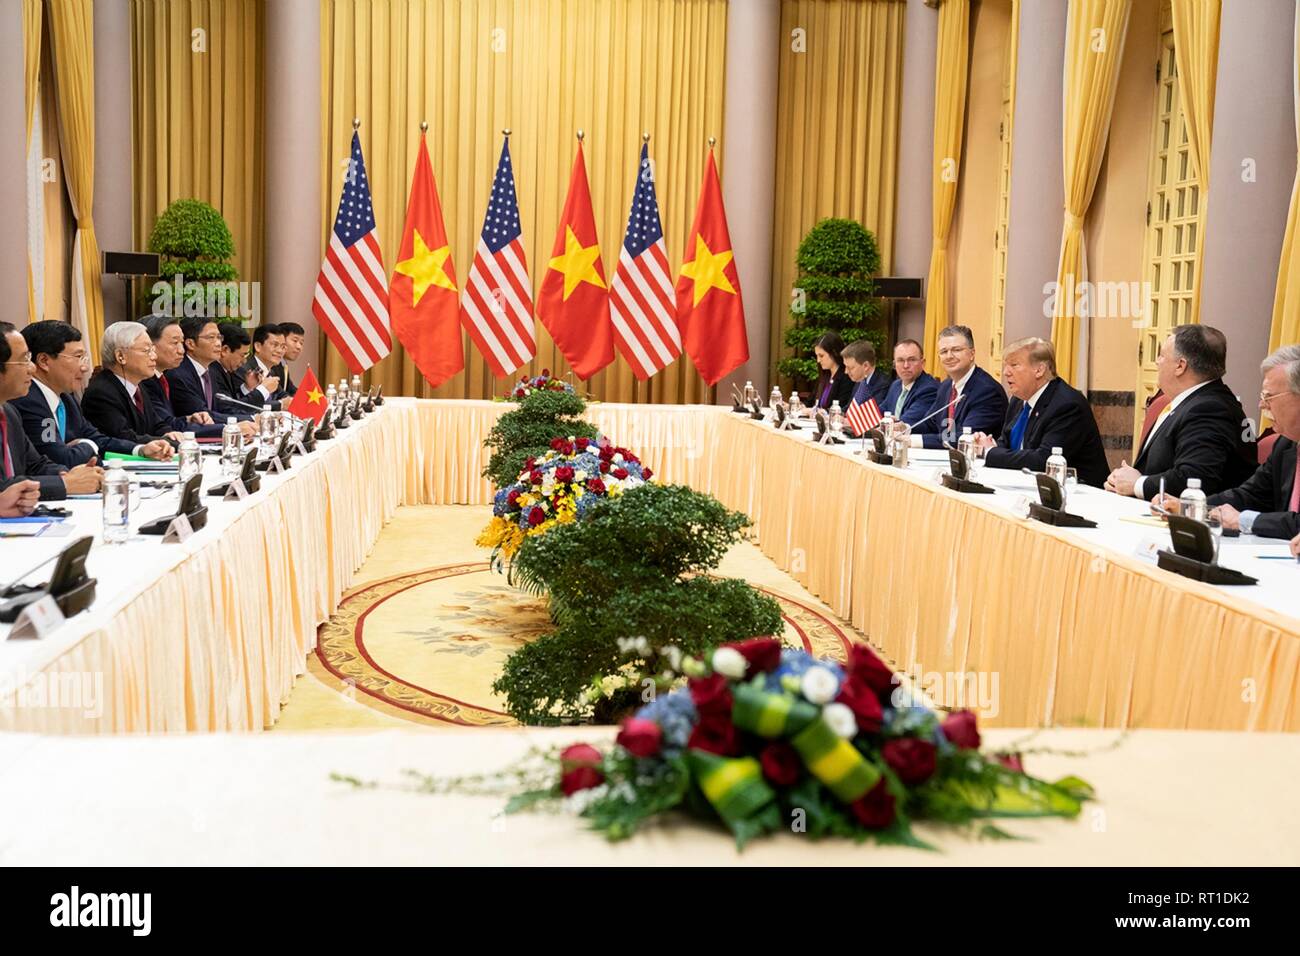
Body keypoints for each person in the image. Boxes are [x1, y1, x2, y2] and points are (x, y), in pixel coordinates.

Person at [1157, 345, 1300, 539]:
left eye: (1268, 396)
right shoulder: (1286, 445)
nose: (1261, 405)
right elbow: (1250, 495)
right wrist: (1193, 508)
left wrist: (1244, 520)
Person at [1106, 324, 1255, 498]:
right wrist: (1121, 481)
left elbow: (1193, 479)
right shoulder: (1195, 402)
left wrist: (1138, 484)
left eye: (1161, 355)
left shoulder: (1210, 410)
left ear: (1180, 366)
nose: (1156, 362)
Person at [12, 320, 172, 466]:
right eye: (78, 357)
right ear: (44, 361)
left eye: (85, 358)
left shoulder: (66, 398)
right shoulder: (29, 400)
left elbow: (96, 437)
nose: (85, 367)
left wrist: (141, 450)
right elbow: (60, 457)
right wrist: (88, 445)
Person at [972, 337, 1109, 486]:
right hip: (1027, 486)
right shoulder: (1018, 400)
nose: (1006, 372)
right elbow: (1006, 442)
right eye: (1006, 366)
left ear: (1039, 370)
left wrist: (990, 452)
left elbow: (1044, 460)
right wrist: (987, 444)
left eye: (1014, 365)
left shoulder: (1067, 405)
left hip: (1079, 495)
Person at [0, 321, 102, 500]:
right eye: (24, 360)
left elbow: (36, 465)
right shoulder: (28, 402)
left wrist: (69, 475)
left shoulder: (9, 412)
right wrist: (65, 484)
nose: (31, 368)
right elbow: (4, 485)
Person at [139, 314, 247, 438]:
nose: (181, 350)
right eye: (175, 343)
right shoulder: (173, 376)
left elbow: (168, 422)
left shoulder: (211, 370)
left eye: (219, 337)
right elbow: (164, 426)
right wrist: (230, 428)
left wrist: (188, 419)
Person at [82, 321, 184, 448]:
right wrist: (166, 442)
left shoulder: (138, 386)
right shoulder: (101, 393)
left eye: (153, 349)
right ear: (120, 356)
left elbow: (156, 423)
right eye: (147, 350)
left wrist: (169, 433)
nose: (154, 356)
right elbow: (123, 437)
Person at [907, 325, 1007, 449]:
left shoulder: (987, 391)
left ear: (972, 354)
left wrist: (912, 440)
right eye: (944, 352)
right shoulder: (946, 387)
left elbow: (964, 438)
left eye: (956, 350)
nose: (949, 356)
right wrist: (905, 429)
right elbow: (930, 424)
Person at [166, 318, 249, 420]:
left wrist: (253, 418)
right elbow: (202, 415)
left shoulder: (211, 371)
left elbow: (222, 408)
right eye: (211, 338)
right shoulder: (179, 375)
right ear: (190, 344)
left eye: (219, 337)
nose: (218, 343)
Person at [880, 339, 939, 427]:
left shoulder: (929, 389)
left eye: (912, 360)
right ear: (894, 364)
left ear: (922, 363)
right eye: (900, 360)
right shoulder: (895, 385)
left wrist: (885, 421)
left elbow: (905, 424)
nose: (906, 366)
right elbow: (879, 412)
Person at [239, 323, 286, 408]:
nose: (280, 351)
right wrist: (280, 404)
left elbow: (282, 395)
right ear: (258, 346)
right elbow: (243, 404)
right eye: (274, 345)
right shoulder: (244, 370)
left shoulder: (271, 371)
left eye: (283, 347)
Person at [842, 339, 891, 411]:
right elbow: (849, 408)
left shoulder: (883, 384)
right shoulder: (860, 381)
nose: (846, 371)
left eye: (850, 368)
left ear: (866, 366)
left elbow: (873, 413)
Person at [810, 332, 854, 411]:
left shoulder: (846, 377)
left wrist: (815, 411)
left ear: (834, 353)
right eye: (817, 356)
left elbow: (842, 408)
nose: (818, 360)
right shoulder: (824, 374)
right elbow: (810, 401)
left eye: (821, 356)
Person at [272, 321, 305, 397]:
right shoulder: (272, 363)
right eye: (295, 341)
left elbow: (291, 389)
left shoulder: (283, 363)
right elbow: (278, 394)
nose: (299, 347)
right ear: (282, 339)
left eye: (301, 343)